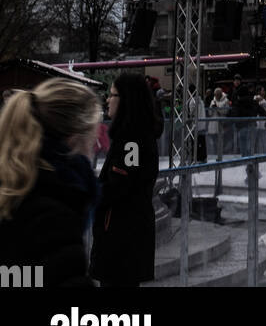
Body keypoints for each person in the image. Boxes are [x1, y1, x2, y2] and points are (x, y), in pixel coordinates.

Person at [0, 80, 102, 287]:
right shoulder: (54, 212)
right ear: (74, 140)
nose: (96, 146)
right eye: (92, 138)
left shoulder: (16, 187)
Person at [90, 73, 163, 287]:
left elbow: (121, 185)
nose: (107, 100)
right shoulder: (131, 136)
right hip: (124, 238)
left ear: (126, 100)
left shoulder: (133, 140)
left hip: (121, 240)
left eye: (112, 95)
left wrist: (89, 193)